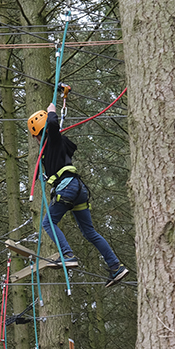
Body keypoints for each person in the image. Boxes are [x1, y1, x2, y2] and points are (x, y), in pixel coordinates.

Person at [28, 103, 129, 287]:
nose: (36, 140)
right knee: (89, 232)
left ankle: (67, 255)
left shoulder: (53, 140)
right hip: (77, 190)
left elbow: (52, 126)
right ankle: (115, 266)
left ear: (38, 134)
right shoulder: (53, 148)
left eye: (35, 136)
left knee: (48, 223)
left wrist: (52, 112)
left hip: (68, 188)